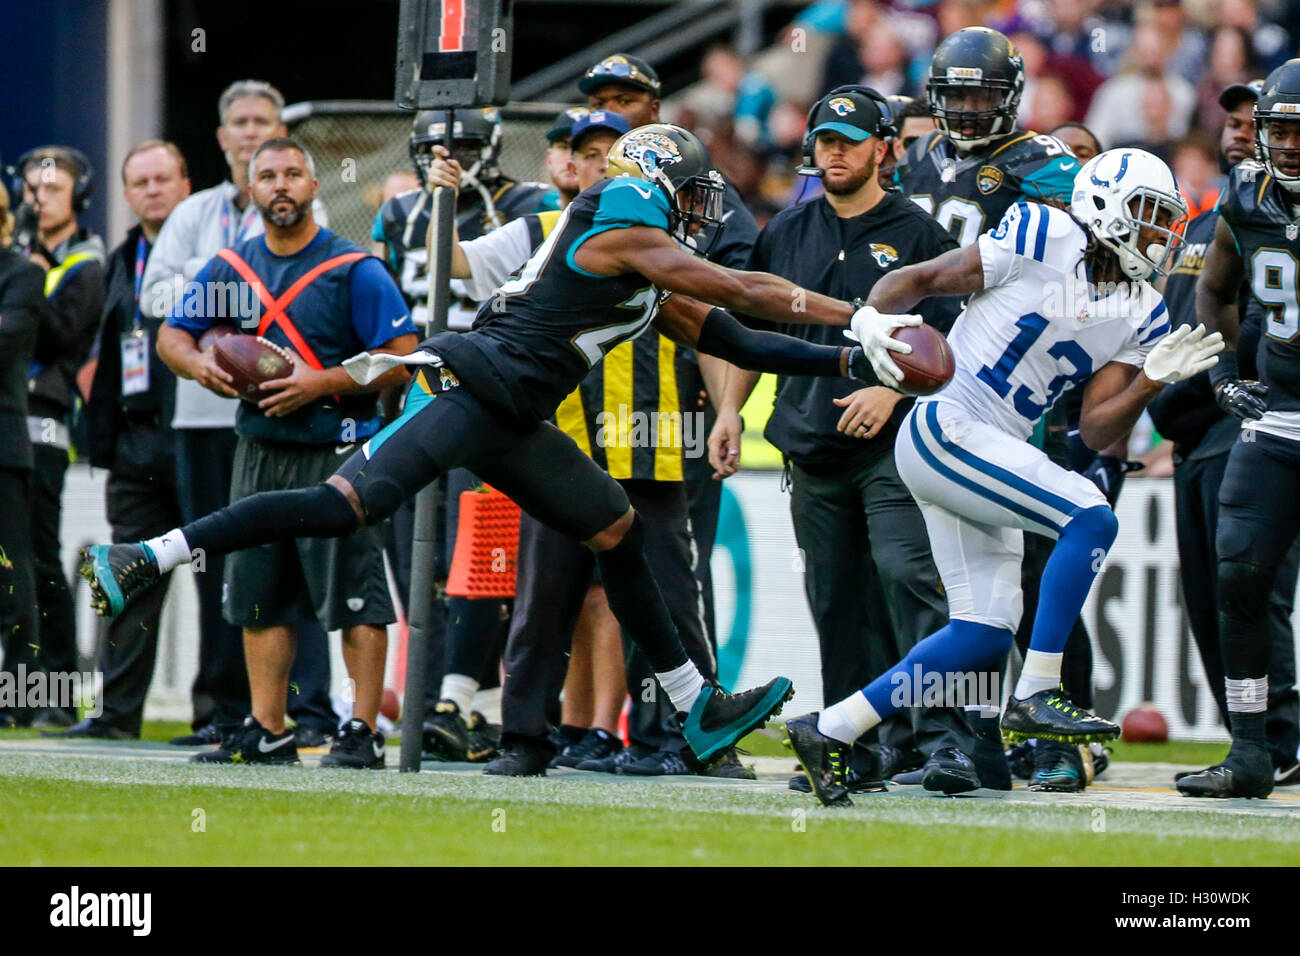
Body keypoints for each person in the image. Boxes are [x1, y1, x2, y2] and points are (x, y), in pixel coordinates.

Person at [81, 123, 886, 769]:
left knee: (618, 530)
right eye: (692, 195)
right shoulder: (621, 231)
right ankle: (148, 553)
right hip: (468, 388)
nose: (703, 212)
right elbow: (744, 288)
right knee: (339, 508)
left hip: (512, 416)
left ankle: (694, 704)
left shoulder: (642, 261)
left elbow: (739, 336)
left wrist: (852, 359)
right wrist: (860, 317)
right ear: (656, 185)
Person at [788, 147, 1224, 807]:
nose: (1160, 233)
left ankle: (831, 729)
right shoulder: (1044, 230)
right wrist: (875, 320)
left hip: (989, 447)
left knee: (984, 630)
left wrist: (1150, 382)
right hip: (949, 422)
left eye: (1167, 220)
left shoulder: (1144, 311)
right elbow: (924, 279)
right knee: (1090, 516)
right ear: (1103, 201)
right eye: (1146, 214)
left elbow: (1099, 432)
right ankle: (1038, 689)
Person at [710, 86, 986, 793]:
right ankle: (852, 748)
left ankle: (945, 743)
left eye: (850, 140)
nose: (834, 152)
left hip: (897, 450)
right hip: (810, 447)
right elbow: (752, 335)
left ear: (884, 149)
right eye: (825, 140)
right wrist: (729, 411)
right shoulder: (785, 231)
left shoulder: (922, 236)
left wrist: (893, 388)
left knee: (912, 582)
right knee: (836, 604)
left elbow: (960, 338)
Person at [152, 138, 417, 768]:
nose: (280, 185)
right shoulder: (229, 268)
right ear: (250, 191)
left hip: (340, 452)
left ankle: (361, 730)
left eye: (293, 174)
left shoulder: (354, 268)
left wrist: (319, 383)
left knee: (357, 594)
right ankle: (267, 728)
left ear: (314, 186)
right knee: (256, 595)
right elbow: (171, 335)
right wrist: (197, 366)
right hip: (259, 449)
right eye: (266, 175)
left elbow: (404, 356)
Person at [896, 26, 1084, 787]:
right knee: (969, 589)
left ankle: (1060, 740)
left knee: (1044, 570)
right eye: (956, 96)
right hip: (934, 384)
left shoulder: (1045, 166)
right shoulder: (917, 161)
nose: (968, 111)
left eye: (982, 96)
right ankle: (968, 746)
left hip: (1011, 387)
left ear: (1010, 98)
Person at [140, 79, 336, 749]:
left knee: (305, 562)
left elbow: (328, 302)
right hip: (204, 414)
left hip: (292, 420)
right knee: (219, 565)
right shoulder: (196, 214)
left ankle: (311, 713)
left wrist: (215, 295)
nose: (251, 131)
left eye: (264, 121)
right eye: (241, 122)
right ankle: (229, 714)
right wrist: (221, 308)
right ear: (223, 138)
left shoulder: (313, 216)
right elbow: (155, 294)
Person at [582, 52, 760, 731]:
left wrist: (727, 411)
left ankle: (687, 727)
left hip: (671, 415)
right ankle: (608, 729)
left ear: (655, 110)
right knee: (601, 579)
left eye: (626, 99)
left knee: (672, 567)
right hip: (587, 417)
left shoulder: (700, 194)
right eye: (601, 100)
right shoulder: (591, 199)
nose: (613, 111)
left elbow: (735, 315)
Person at [375, 108, 552, 761]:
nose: (447, 155)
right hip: (413, 396)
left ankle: (462, 700)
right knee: (411, 557)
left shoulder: (529, 207)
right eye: (435, 147)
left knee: (479, 554)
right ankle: (434, 702)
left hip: (485, 395)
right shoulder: (398, 215)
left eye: (463, 144)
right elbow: (383, 292)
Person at [1148, 78, 1299, 790]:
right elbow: (1212, 286)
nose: (1291, 144)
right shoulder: (1244, 198)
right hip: (1279, 416)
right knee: (1238, 576)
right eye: (1281, 129)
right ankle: (1251, 749)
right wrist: (1229, 373)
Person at [50, 141, 193, 738]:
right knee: (128, 575)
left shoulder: (213, 252)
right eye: (141, 182)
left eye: (164, 178)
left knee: (225, 579)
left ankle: (223, 713)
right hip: (136, 442)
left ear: (186, 185)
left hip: (199, 437)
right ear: (127, 193)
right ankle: (115, 716)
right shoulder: (122, 258)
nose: (153, 189)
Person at [17, 146, 106, 731]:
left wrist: (22, 276)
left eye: (51, 188)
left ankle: (52, 692)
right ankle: (15, 693)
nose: (38, 199)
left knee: (38, 558)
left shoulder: (86, 262)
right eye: (30, 189)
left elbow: (59, 341)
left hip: (43, 422)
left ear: (79, 196)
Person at [0, 186, 47, 728]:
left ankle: (18, 699)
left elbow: (7, 343)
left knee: (11, 574)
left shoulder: (22, 273)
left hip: (4, 448)